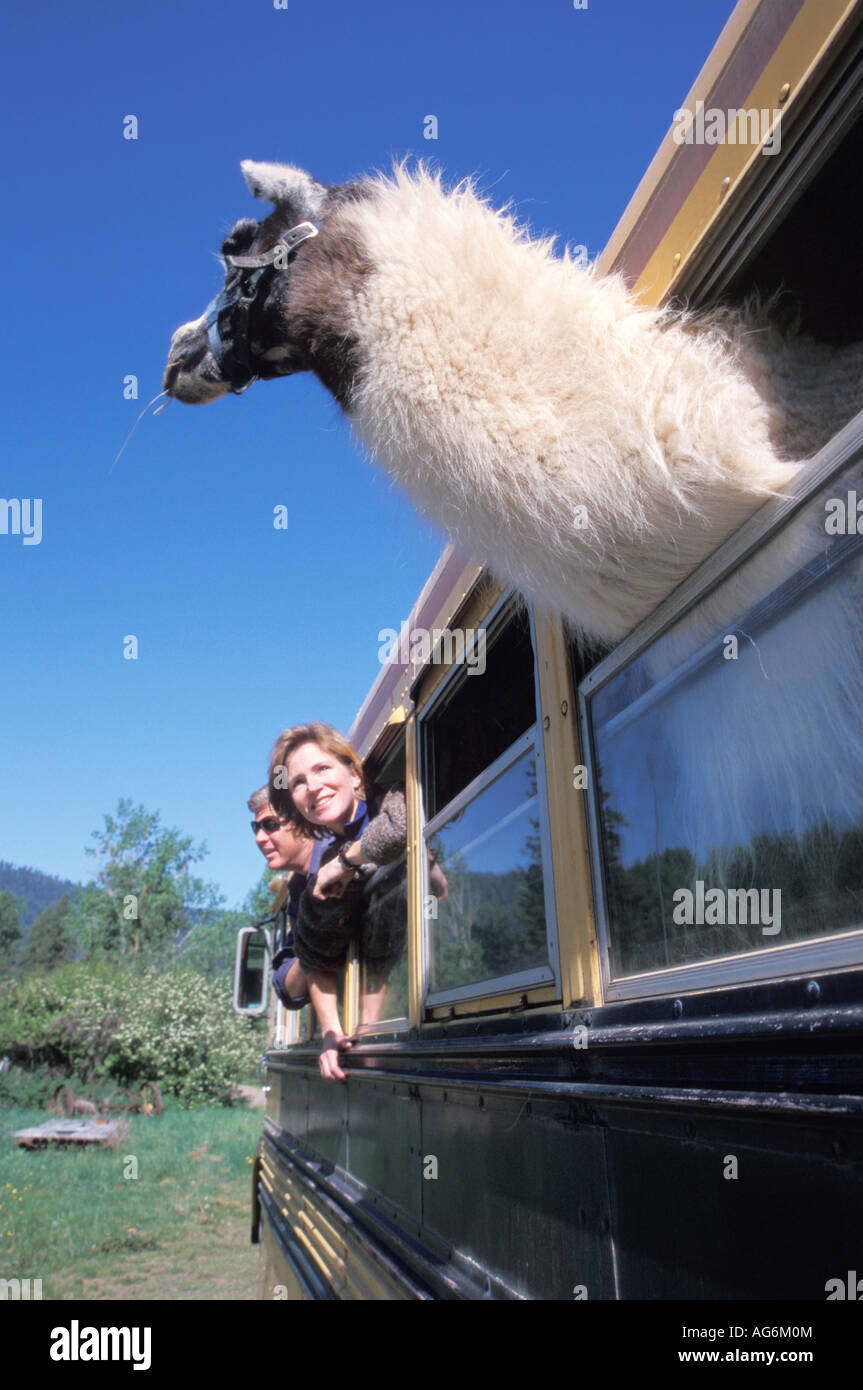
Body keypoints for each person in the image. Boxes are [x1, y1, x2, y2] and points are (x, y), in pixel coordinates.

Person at [247, 786, 314, 1010]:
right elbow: (288, 990)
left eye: (269, 825)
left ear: (305, 820)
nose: (258, 838)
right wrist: (316, 947)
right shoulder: (298, 890)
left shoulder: (348, 858)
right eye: (255, 828)